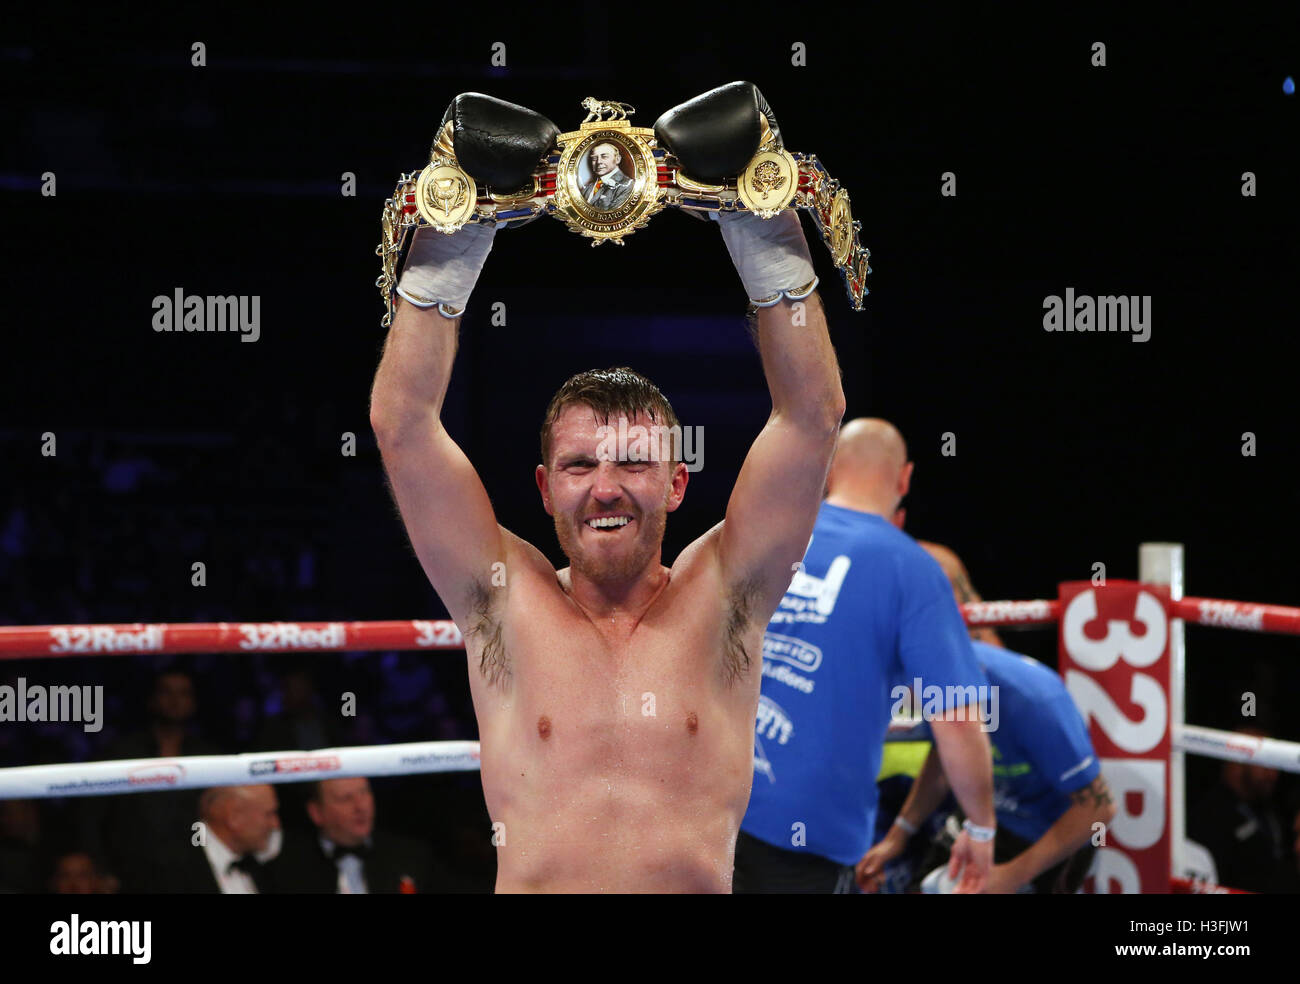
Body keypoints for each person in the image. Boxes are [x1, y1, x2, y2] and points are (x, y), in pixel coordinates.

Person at [369, 86, 845, 892]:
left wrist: (759, 221)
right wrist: (459, 231)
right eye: (582, 466)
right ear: (545, 486)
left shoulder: (728, 593)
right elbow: (402, 425)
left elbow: (812, 416)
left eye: (631, 463)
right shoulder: (499, 598)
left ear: (676, 482)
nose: (606, 489)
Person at [734, 418, 995, 893]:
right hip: (806, 837)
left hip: (717, 804)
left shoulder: (770, 534)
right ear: (904, 478)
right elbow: (957, 717)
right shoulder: (912, 568)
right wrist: (980, 827)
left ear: (831, 470)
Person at [858, 542, 1115, 894]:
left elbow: (1098, 811)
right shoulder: (934, 676)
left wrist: (1010, 876)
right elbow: (946, 757)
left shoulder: (1034, 699)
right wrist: (898, 836)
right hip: (985, 820)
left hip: (1047, 836)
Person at [269, 777, 441, 893]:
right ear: (316, 812)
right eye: (345, 798)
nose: (360, 806)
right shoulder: (289, 866)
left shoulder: (410, 855)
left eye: (364, 793)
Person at [1188, 727, 1289, 892]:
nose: (1274, 774)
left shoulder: (1270, 808)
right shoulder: (1210, 817)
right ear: (1238, 760)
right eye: (1266, 764)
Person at [151, 784, 281, 893]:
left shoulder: (260, 865)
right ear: (234, 818)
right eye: (268, 814)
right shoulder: (170, 866)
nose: (275, 824)